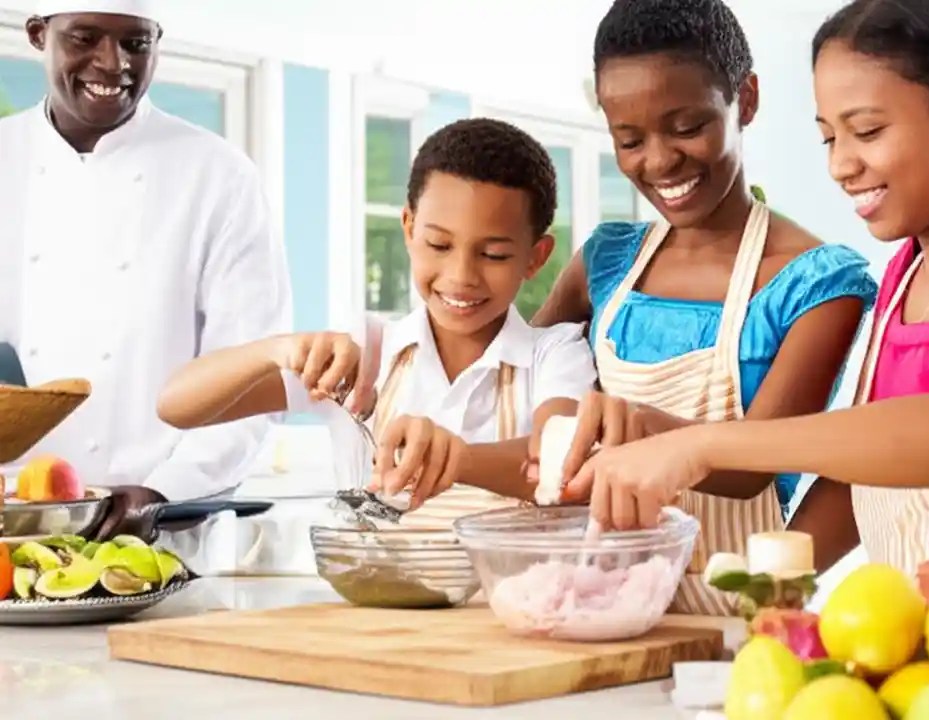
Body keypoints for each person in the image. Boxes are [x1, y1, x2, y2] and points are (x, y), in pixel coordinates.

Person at [564, 0, 929, 579]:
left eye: (867, 131)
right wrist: (756, 589)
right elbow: (863, 469)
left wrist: (701, 446)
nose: (841, 166)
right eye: (830, 138)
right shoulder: (905, 275)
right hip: (916, 642)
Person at [521, 0, 879, 615]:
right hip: (599, 600)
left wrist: (637, 424)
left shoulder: (815, 283)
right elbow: (525, 379)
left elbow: (753, 467)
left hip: (734, 606)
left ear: (745, 99)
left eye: (687, 127)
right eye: (629, 140)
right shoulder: (604, 262)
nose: (658, 161)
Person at [157, 118, 599, 517]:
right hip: (374, 598)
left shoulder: (555, 354)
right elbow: (176, 406)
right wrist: (277, 350)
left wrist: (458, 458)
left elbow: (560, 465)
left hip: (507, 601)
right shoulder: (365, 359)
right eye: (439, 246)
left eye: (494, 254)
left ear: (535, 258)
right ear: (408, 229)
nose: (461, 276)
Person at [0, 0, 292, 540]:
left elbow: (254, 369)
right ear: (40, 35)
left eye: (136, 43)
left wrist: (166, 491)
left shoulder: (219, 176)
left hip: (159, 528)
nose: (113, 64)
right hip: (10, 520)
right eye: (85, 38)